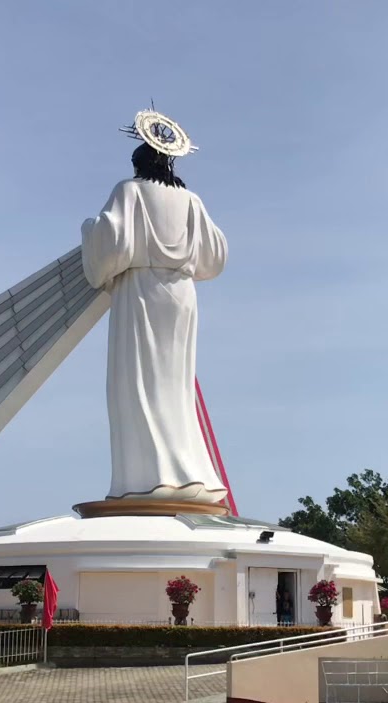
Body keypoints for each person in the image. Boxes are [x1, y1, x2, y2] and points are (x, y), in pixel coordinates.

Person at [81, 108, 228, 506]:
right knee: (175, 383)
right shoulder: (191, 201)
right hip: (181, 293)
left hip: (141, 291)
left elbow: (111, 240)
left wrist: (88, 230)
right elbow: (214, 255)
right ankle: (191, 472)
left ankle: (148, 478)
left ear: (139, 165)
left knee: (138, 383)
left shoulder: (129, 191)